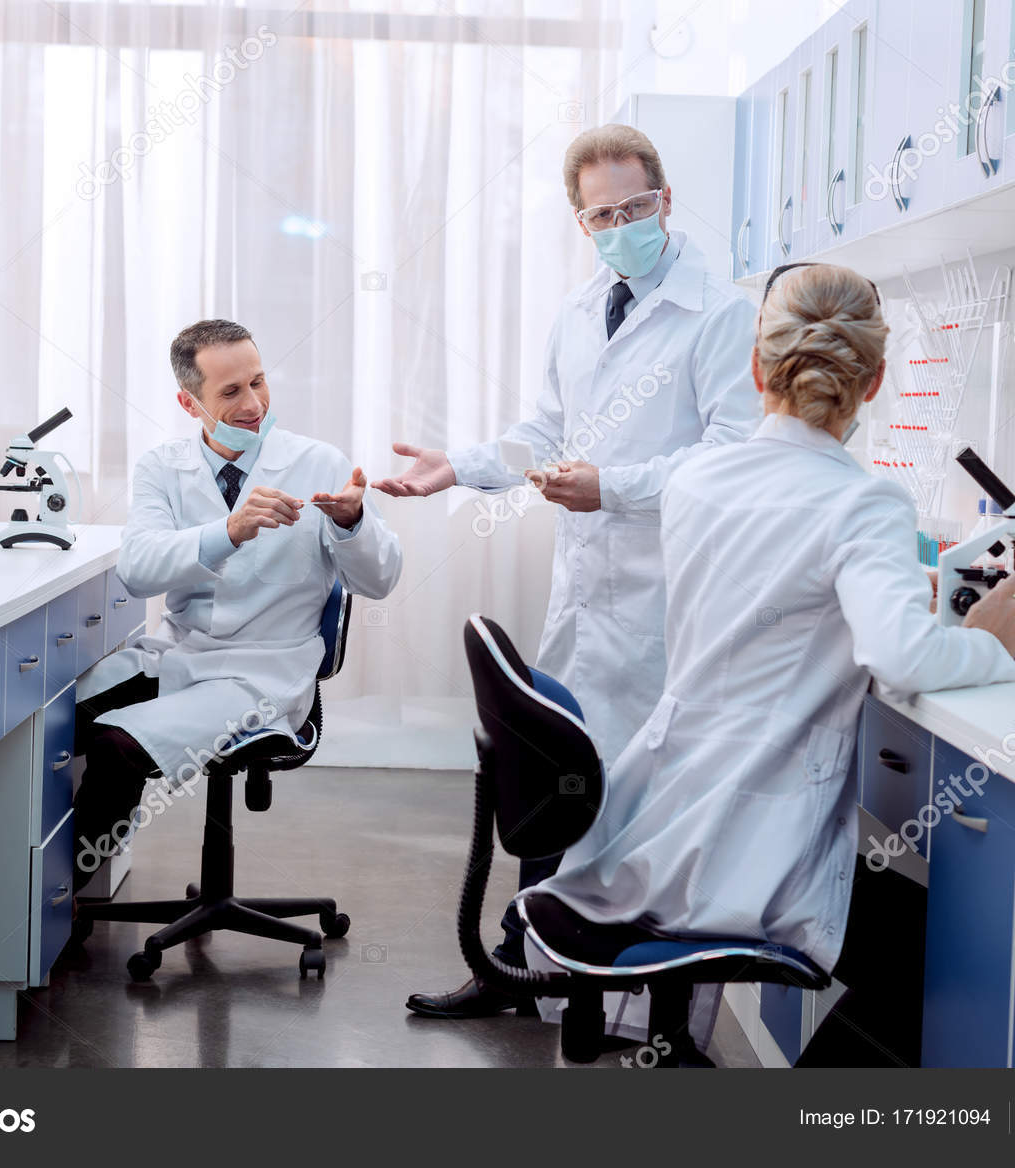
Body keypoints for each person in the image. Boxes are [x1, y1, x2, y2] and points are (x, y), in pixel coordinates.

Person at [527, 263, 1015, 1066]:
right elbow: (901, 654)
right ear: (872, 388)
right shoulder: (864, 502)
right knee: (941, 962)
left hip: (656, 822)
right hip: (749, 845)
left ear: (757, 370)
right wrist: (992, 641)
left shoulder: (696, 477)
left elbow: (765, 586)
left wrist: (887, 582)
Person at [376, 124, 761, 1019]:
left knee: (640, 806)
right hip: (588, 594)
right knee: (558, 778)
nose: (620, 225)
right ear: (580, 223)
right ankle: (517, 967)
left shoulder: (724, 313)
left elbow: (734, 456)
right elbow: (543, 434)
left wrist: (614, 488)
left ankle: (638, 1006)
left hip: (670, 603)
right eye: (601, 215)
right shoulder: (583, 309)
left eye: (634, 207)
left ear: (666, 201)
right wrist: (459, 466)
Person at [71, 319, 403, 893]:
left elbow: (381, 580)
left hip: (262, 672)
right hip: (182, 654)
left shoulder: (317, 461)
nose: (253, 404)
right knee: (52, 721)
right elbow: (140, 568)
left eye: (258, 382)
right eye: (230, 392)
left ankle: (59, 902)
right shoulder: (162, 466)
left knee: (116, 748)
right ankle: (25, 903)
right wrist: (227, 531)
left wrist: (353, 524)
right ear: (188, 401)